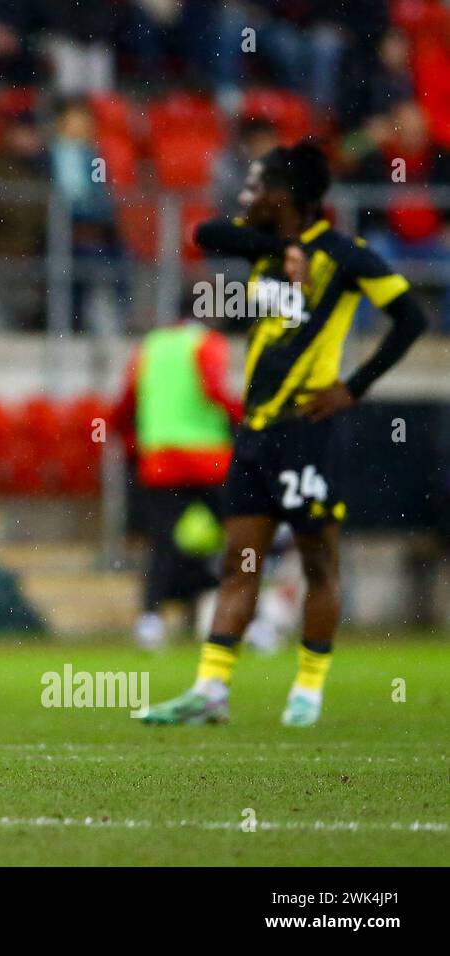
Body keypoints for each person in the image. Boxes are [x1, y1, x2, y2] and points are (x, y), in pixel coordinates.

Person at [142, 141, 428, 728]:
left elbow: (412, 317)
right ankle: (211, 690)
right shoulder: (268, 254)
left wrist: (355, 386)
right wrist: (283, 246)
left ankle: (308, 691)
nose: (245, 198)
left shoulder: (349, 257)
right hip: (255, 434)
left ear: (284, 196)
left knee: (319, 563)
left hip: (308, 433)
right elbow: (204, 234)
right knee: (238, 562)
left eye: (255, 187)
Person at [111, 310, 242, 650]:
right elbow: (213, 389)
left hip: (160, 461)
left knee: (163, 543)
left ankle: (150, 620)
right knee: (241, 537)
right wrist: (246, 417)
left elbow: (125, 401)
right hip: (208, 460)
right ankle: (248, 618)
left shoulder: (150, 346)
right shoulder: (208, 343)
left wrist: (129, 441)